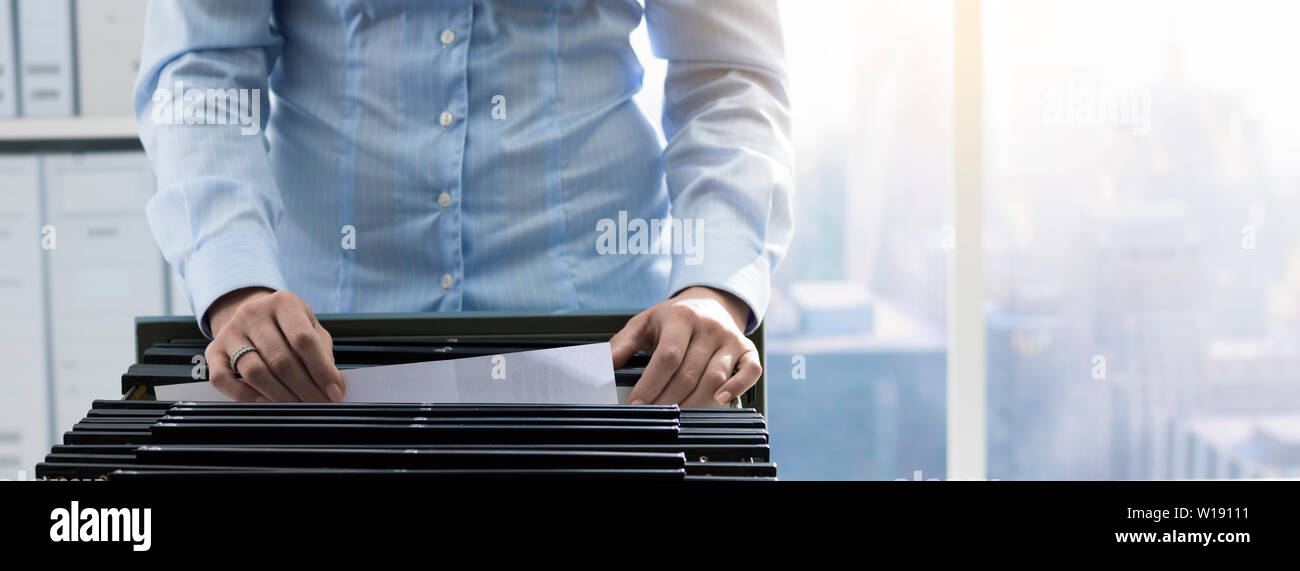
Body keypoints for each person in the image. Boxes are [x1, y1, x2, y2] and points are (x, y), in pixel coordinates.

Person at [134, 0, 793, 407]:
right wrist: (238, 286)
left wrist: (710, 289)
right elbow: (202, 71)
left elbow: (727, 81)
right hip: (320, 357)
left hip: (611, 352)